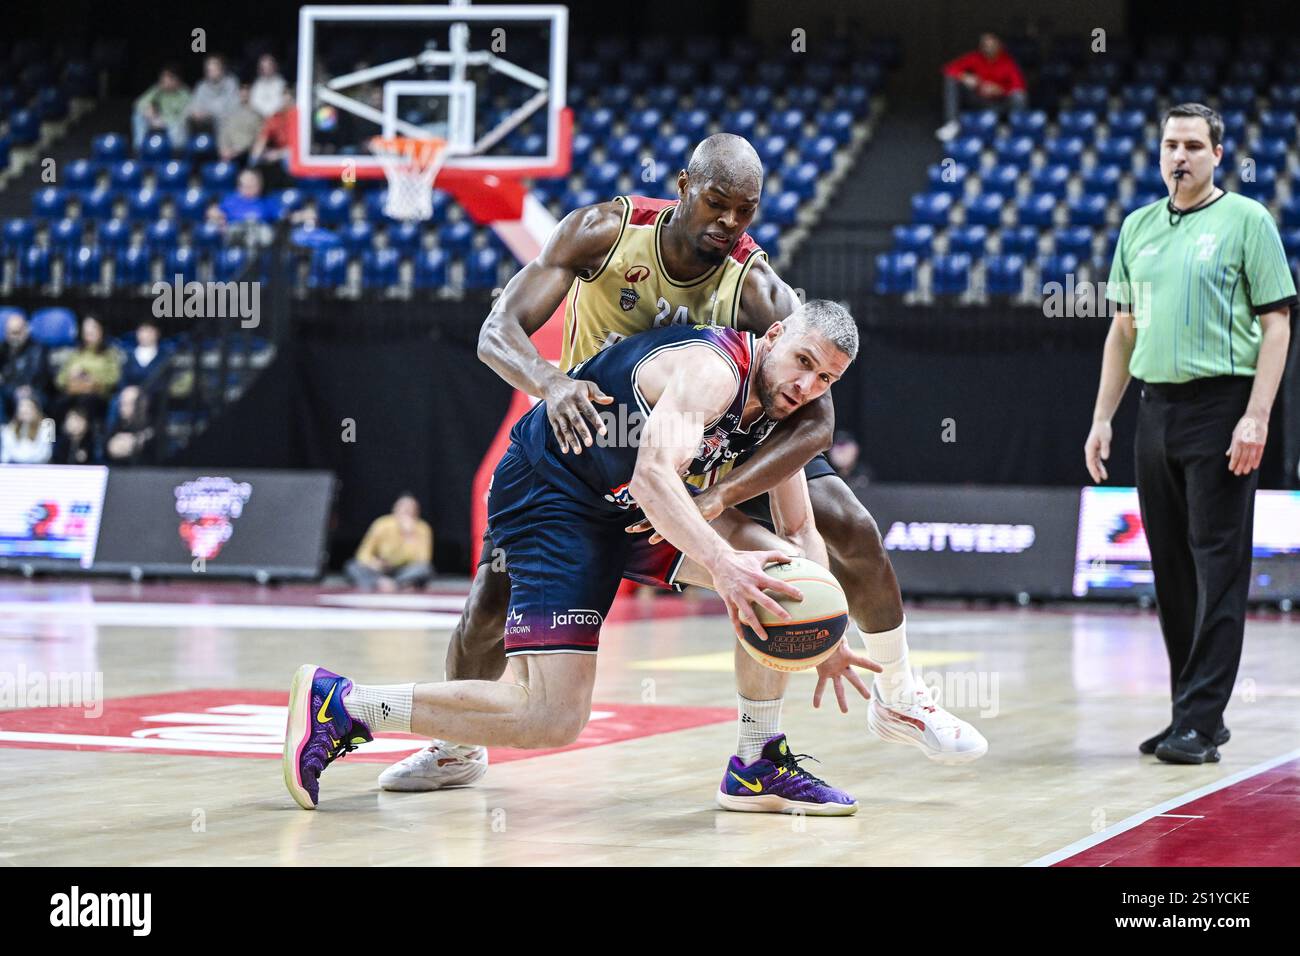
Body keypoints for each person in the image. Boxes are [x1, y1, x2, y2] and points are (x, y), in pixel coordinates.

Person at [378, 133, 986, 800]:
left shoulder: (760, 290)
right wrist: (550, 383)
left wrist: (725, 498)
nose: (729, 222)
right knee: (489, 608)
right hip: (592, 445)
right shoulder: (604, 232)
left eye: (745, 212)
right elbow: (497, 331)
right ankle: (453, 746)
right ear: (683, 186)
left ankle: (883, 701)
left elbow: (815, 423)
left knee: (835, 532)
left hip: (705, 442)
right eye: (717, 203)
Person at [284, 304, 878, 811]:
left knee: (782, 578)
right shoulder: (714, 370)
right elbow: (652, 477)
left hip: (629, 502)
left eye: (825, 379)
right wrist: (722, 566)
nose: (806, 385)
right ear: (774, 336)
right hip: (555, 493)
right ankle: (345, 705)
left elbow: (800, 528)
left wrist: (823, 628)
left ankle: (756, 761)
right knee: (552, 717)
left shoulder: (783, 409)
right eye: (803, 361)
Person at [1085, 103, 1296, 765]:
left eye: (1193, 145)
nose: (1180, 155)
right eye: (1171, 144)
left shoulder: (1247, 221)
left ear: (1217, 155)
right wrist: (1102, 418)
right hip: (1156, 409)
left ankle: (1202, 722)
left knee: (1218, 566)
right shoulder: (1138, 227)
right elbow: (1123, 331)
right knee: (1171, 569)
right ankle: (1189, 712)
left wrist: (1256, 414)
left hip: (1222, 406)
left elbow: (1278, 326)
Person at [935, 32, 1027, 142]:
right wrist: (964, 77)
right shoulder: (975, 57)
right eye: (985, 45)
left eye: (992, 45)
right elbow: (948, 69)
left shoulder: (1008, 62)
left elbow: (1019, 87)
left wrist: (1000, 90)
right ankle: (952, 124)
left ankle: (1012, 127)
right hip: (979, 100)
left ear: (1000, 45)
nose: (988, 48)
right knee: (951, 79)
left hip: (998, 105)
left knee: (1019, 96)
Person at [345, 494, 434, 592]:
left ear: (416, 512)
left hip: (405, 570)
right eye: (403, 508)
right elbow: (363, 552)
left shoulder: (423, 528)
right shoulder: (382, 524)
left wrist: (409, 535)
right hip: (381, 568)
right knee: (352, 566)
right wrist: (372, 563)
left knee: (425, 570)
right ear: (395, 509)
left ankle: (393, 584)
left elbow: (423, 560)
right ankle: (381, 582)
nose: (406, 511)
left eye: (410, 509)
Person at [54, 315, 121, 423]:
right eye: (86, 328)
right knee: (60, 403)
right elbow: (59, 380)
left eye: (93, 327)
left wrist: (91, 378)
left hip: (97, 395)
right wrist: (70, 375)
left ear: (101, 330)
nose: (89, 331)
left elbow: (114, 378)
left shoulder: (110, 353)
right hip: (74, 391)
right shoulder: (76, 353)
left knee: (85, 401)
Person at [0, 311, 51, 417]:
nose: (14, 337)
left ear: (26, 330)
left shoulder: (38, 349)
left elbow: (38, 377)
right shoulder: (3, 349)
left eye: (17, 332)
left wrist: (25, 388)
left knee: (25, 399)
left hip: (34, 391)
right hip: (8, 390)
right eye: (10, 333)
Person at [132, 65, 191, 148]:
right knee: (138, 116)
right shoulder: (158, 89)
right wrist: (148, 109)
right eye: (163, 78)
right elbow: (138, 104)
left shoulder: (184, 94)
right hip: (157, 120)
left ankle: (176, 150)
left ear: (176, 80)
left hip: (174, 123)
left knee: (177, 127)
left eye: (168, 78)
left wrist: (163, 121)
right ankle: (139, 147)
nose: (164, 81)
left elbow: (184, 116)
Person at [185, 55, 239, 136]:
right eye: (209, 70)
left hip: (225, 124)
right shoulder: (202, 86)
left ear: (222, 70)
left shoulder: (231, 83)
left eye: (214, 70)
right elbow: (194, 104)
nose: (211, 73)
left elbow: (233, 108)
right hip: (205, 125)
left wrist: (210, 114)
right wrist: (195, 112)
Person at [104, 386, 154, 464]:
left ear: (143, 404)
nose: (122, 408)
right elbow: (111, 449)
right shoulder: (116, 428)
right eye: (121, 403)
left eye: (128, 404)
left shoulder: (152, 432)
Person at [217, 83, 263, 163]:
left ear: (250, 94)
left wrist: (237, 151)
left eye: (246, 93)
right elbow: (224, 133)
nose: (244, 95)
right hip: (227, 153)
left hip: (245, 154)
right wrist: (223, 149)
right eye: (242, 93)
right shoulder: (230, 113)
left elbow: (257, 138)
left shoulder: (256, 115)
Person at [0, 394, 54, 464]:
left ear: (36, 410)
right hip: (14, 467)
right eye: (21, 406)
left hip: (39, 467)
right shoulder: (8, 429)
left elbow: (46, 454)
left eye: (29, 407)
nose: (24, 410)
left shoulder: (48, 426)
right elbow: (5, 456)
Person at [121, 319, 166, 388]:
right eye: (142, 330)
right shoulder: (127, 355)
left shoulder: (165, 356)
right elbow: (121, 380)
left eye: (149, 331)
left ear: (157, 333)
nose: (145, 335)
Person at [249, 54, 287, 119]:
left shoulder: (281, 83)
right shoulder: (257, 84)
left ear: (274, 67)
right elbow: (254, 102)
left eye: (269, 67)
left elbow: (281, 103)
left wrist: (270, 115)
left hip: (277, 117)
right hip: (259, 117)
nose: (266, 70)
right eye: (263, 68)